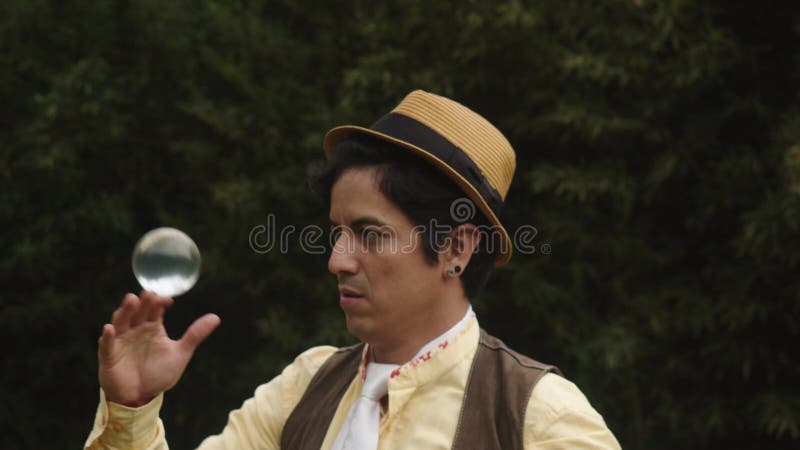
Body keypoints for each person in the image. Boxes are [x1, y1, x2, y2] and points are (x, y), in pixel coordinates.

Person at [85, 90, 621, 449]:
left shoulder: (538, 417)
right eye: (338, 232)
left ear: (457, 246)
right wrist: (131, 407)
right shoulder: (305, 386)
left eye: (370, 234)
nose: (337, 259)